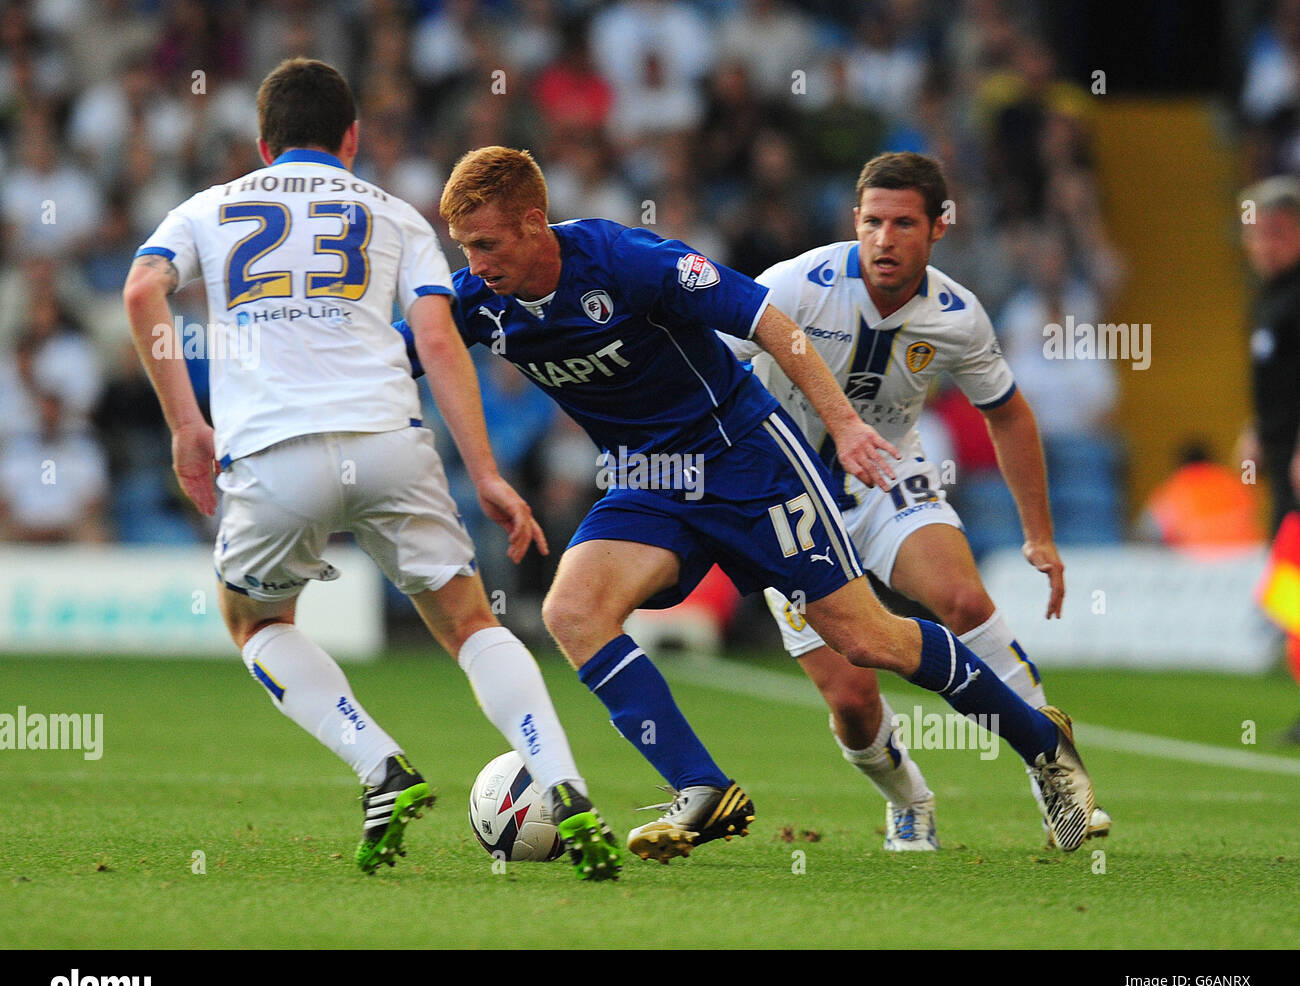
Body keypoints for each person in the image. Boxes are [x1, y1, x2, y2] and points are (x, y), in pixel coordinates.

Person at [401, 145, 1097, 861]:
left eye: (486, 244)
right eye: (464, 248)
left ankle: (1043, 742)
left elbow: (770, 321)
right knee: (571, 610)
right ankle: (703, 787)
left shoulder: (625, 258)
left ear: (534, 223)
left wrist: (846, 422)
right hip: (651, 477)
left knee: (868, 639)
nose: (475, 263)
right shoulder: (479, 302)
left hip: (745, 458)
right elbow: (396, 356)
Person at [122, 59, 620, 880]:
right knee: (470, 625)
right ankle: (563, 778)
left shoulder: (206, 209)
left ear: (261, 142)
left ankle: (380, 763)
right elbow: (435, 340)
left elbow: (144, 292)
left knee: (258, 624)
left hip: (274, 455)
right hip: (390, 441)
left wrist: (186, 425)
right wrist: (488, 472)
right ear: (351, 139)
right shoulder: (395, 215)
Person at [721, 151, 1111, 849]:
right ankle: (909, 796)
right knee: (851, 697)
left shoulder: (958, 316)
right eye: (872, 221)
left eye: (904, 223)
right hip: (788, 502)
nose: (884, 239)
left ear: (939, 228)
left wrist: (1039, 534)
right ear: (855, 222)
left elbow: (1010, 414)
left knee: (962, 598)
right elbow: (711, 365)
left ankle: (1052, 771)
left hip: (889, 477)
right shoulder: (796, 287)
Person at [1239, 174, 1300, 741]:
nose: (1260, 245)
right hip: (1281, 457)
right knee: (1289, 584)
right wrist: (1259, 428)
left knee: (1295, 578)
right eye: (1254, 235)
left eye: (1272, 233)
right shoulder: (1271, 297)